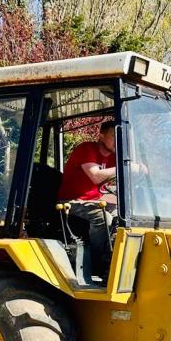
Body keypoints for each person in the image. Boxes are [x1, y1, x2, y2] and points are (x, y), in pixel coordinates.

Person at [57, 120, 118, 279]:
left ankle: (114, 259)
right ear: (101, 135)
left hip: (93, 201)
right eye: (113, 135)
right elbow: (96, 176)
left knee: (124, 214)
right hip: (70, 201)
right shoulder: (86, 149)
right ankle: (98, 264)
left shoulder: (113, 157)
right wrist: (125, 167)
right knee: (104, 218)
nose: (117, 140)